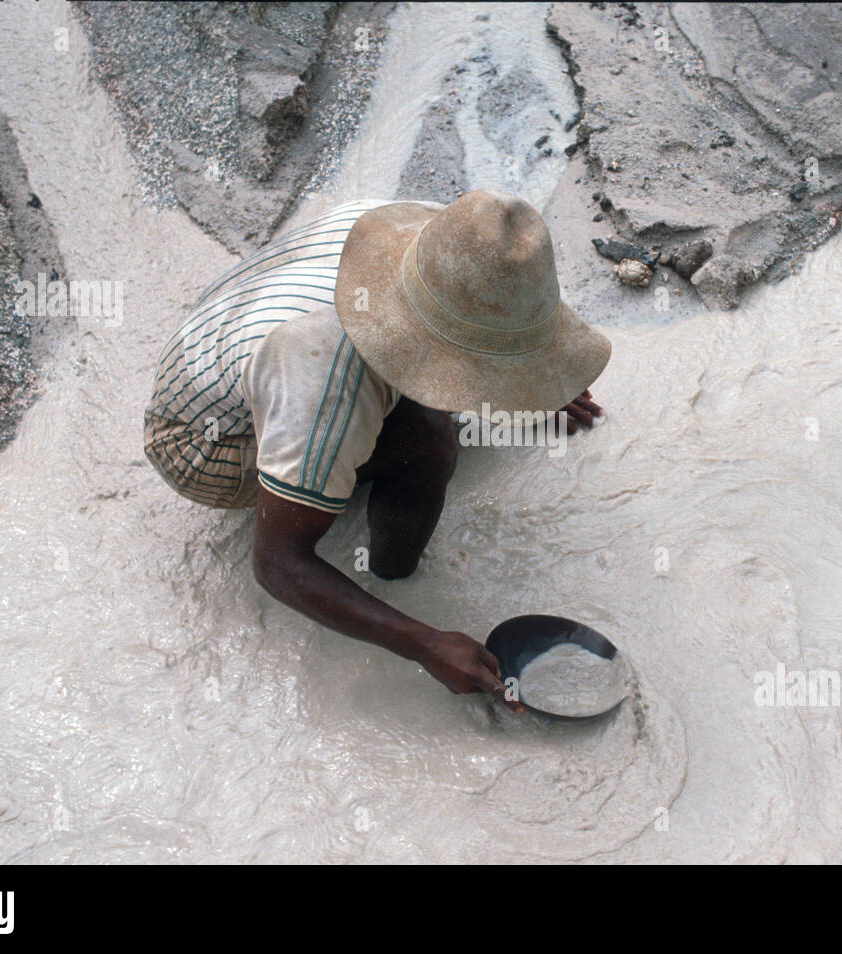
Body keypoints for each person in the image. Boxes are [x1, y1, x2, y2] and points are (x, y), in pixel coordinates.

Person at [144, 190, 610, 711]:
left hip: (228, 340)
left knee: (420, 418)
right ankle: (395, 576)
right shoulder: (324, 373)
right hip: (202, 440)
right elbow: (278, 564)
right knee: (429, 444)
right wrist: (424, 642)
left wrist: (526, 376)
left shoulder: (433, 236)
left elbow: (467, 322)